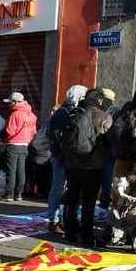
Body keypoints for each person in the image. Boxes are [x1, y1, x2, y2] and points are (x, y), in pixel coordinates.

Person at [60, 89, 113, 247]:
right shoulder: (104, 117)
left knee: (72, 199)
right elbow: (110, 141)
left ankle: (69, 233)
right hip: (93, 166)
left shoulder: (75, 114)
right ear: (99, 101)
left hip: (73, 165)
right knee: (88, 203)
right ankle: (86, 236)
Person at [45, 85, 89, 234]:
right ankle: (53, 220)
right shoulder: (62, 113)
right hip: (62, 157)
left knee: (72, 191)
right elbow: (55, 136)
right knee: (58, 189)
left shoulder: (77, 111)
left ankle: (68, 218)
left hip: (72, 158)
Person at [0, 91, 37, 201]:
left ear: (15, 102)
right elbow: (34, 131)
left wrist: (5, 138)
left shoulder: (15, 114)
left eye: (10, 102)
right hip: (25, 145)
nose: (9, 104)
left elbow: (9, 131)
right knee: (21, 170)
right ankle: (19, 193)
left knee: (11, 170)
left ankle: (9, 194)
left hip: (13, 144)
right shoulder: (32, 115)